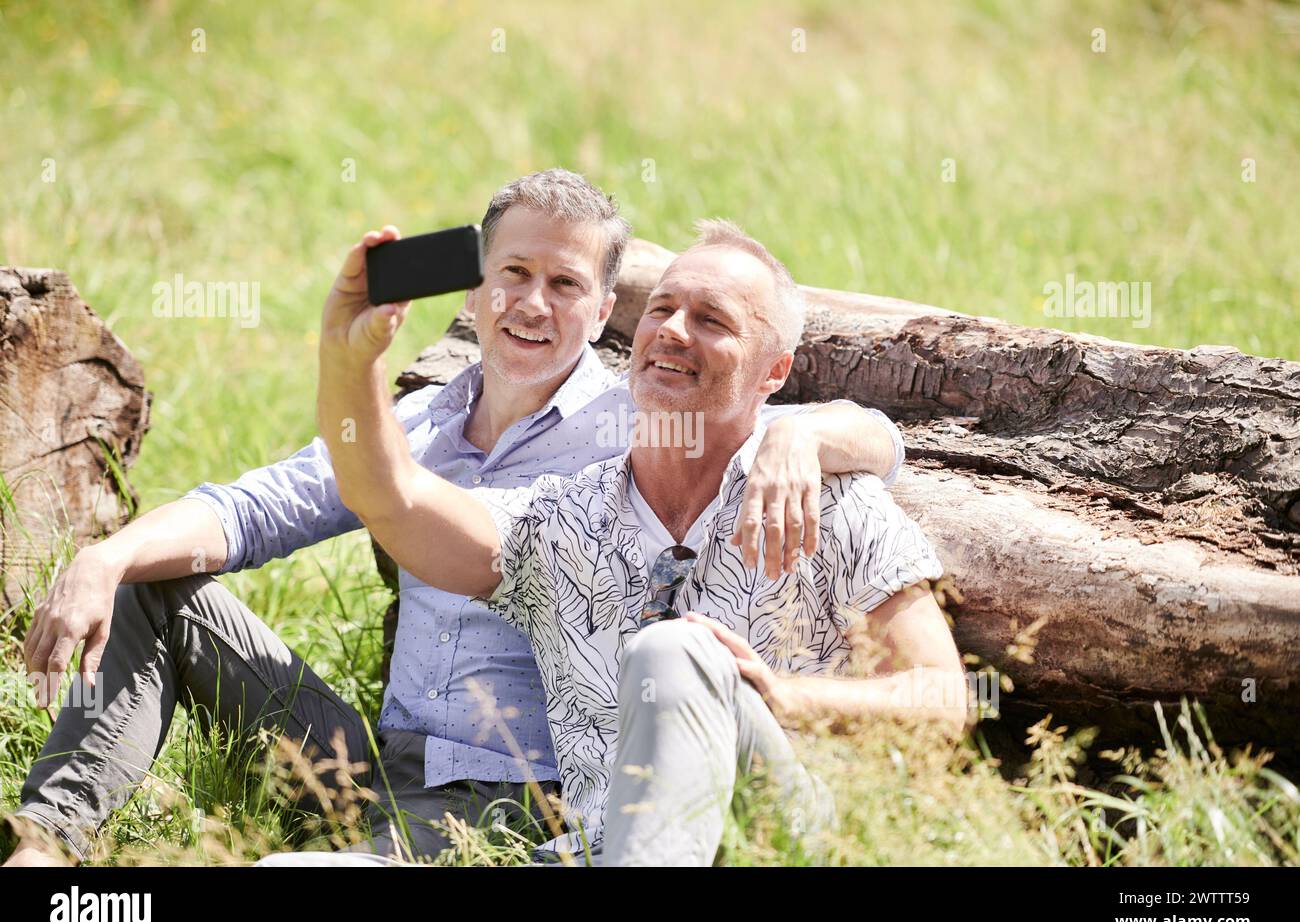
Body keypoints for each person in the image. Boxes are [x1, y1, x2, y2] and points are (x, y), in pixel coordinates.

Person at [5, 171, 904, 866]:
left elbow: (809, 425)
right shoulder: (421, 424)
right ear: (474, 292)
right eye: (513, 273)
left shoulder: (639, 428)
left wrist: (814, 432)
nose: (534, 303)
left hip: (517, 786)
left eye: (565, 283)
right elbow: (262, 507)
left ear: (602, 313)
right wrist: (106, 557)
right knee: (150, 582)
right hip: (369, 760)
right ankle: (46, 844)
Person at [313, 217, 969, 866]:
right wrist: (349, 356)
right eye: (661, 310)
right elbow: (390, 498)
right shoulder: (561, 520)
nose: (674, 331)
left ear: (775, 372)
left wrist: (782, 696)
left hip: (772, 841)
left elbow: (943, 699)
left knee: (678, 650)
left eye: (712, 320)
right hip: (583, 852)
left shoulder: (834, 503)